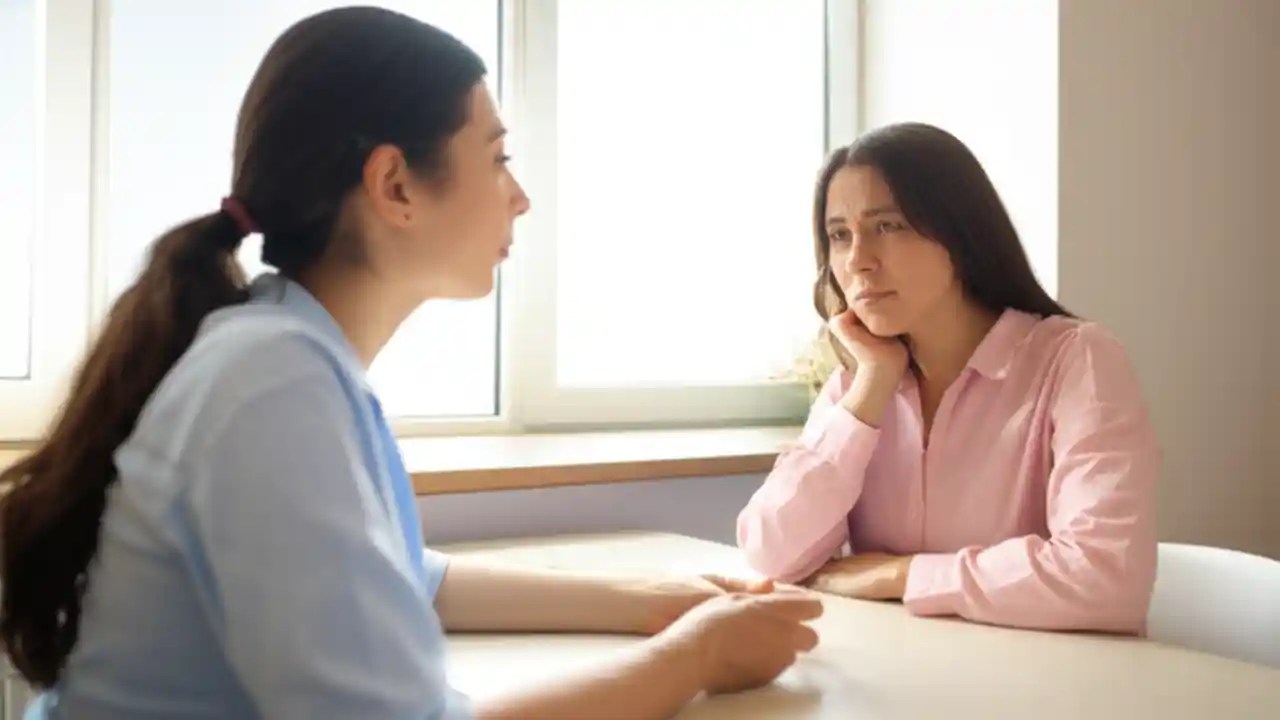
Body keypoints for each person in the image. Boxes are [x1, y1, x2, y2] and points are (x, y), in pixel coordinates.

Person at [0, 8, 822, 719]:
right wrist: (694, 659)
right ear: (394, 185)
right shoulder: (272, 380)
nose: (520, 196)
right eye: (496, 157)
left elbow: (406, 576)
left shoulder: (286, 348)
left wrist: (650, 603)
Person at [737, 122, 1159, 635]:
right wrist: (870, 388)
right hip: (908, 669)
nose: (858, 261)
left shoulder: (1078, 361)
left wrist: (902, 575)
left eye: (887, 226)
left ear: (960, 234)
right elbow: (771, 552)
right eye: (839, 235)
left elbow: (1106, 579)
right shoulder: (857, 387)